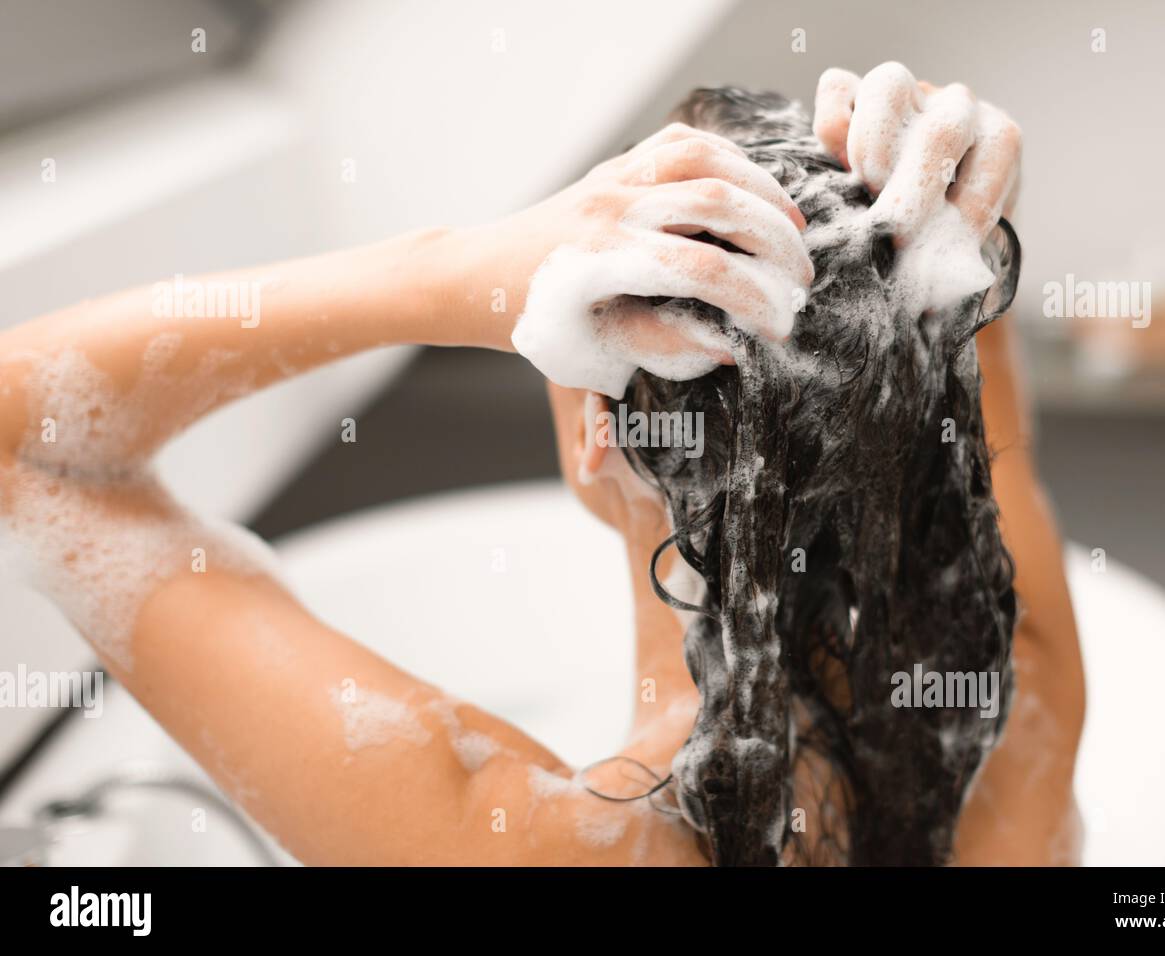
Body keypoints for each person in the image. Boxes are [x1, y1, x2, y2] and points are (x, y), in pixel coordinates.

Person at [0, 63, 1083, 865]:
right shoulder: (1020, 718)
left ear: (592, 433)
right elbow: (959, 399)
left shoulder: (519, 839)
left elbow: (23, 447)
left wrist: (455, 270)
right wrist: (941, 224)